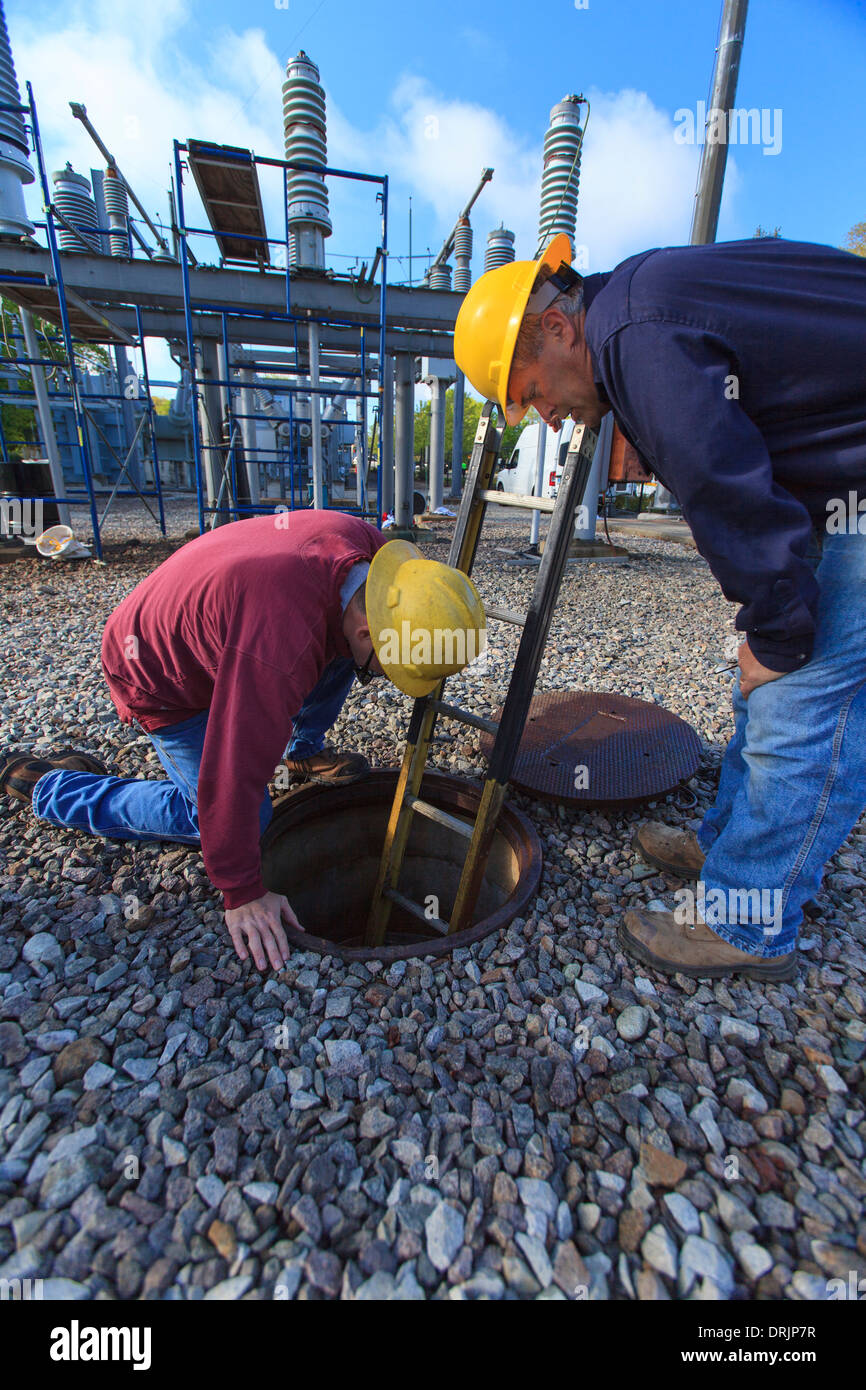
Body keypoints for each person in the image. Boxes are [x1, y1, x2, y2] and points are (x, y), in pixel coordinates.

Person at [454, 231, 866, 982]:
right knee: (772, 679)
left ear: (555, 327)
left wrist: (777, 635)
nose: (543, 416)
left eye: (531, 391)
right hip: (839, 481)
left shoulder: (638, 336)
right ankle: (733, 846)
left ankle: (749, 917)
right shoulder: (633, 312)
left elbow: (723, 484)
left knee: (805, 695)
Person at [1, 513, 486, 971]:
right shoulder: (278, 652)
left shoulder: (372, 565)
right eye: (389, 666)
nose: (385, 679)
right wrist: (242, 891)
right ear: (369, 628)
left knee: (344, 659)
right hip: (155, 669)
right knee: (226, 815)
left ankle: (299, 752)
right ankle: (52, 787)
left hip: (230, 621)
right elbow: (229, 774)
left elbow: (330, 641)